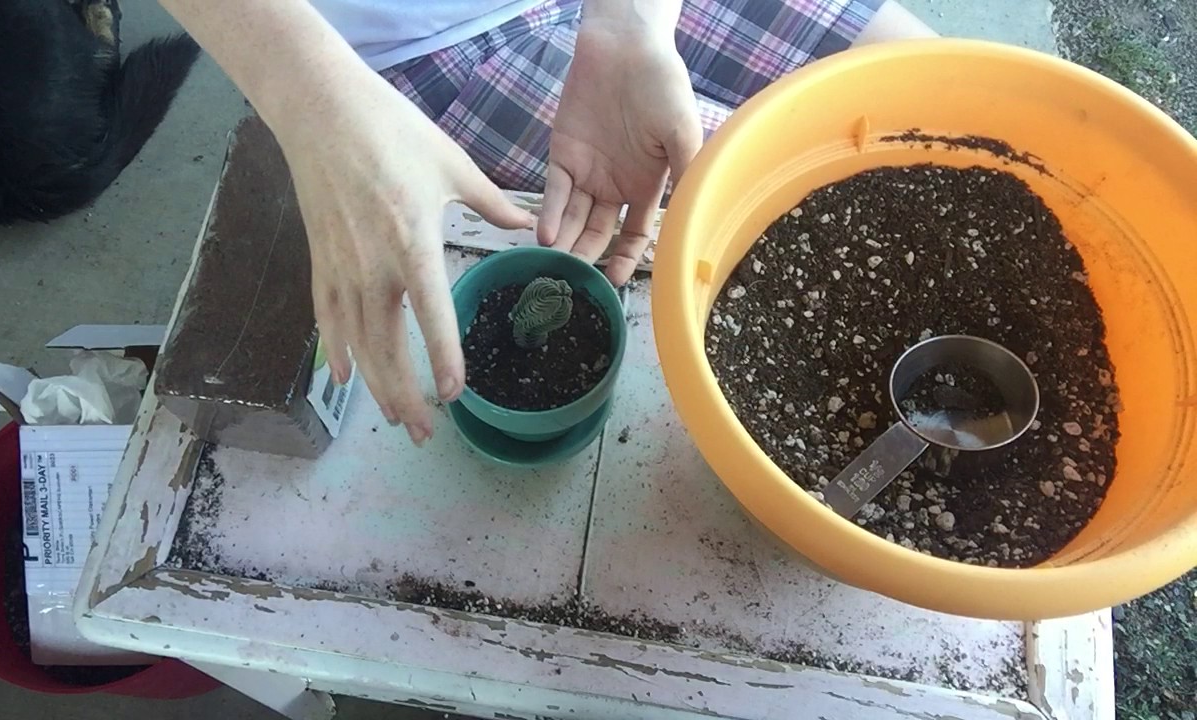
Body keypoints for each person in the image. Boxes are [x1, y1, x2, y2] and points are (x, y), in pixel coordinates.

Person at [157, 0, 937, 446]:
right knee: (774, 235)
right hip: (410, 44)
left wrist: (631, 25)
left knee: (927, 104)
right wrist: (312, 103)